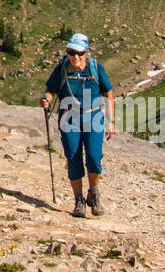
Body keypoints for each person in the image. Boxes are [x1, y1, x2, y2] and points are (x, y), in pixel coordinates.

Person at [40, 32, 115, 218]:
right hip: (69, 119)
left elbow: (109, 93)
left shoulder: (95, 67)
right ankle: (79, 200)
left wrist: (111, 122)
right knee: (73, 158)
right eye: (71, 52)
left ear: (86, 52)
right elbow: (51, 90)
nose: (75, 57)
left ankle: (94, 192)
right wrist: (46, 99)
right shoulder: (62, 68)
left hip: (93, 117)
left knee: (94, 157)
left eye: (79, 53)